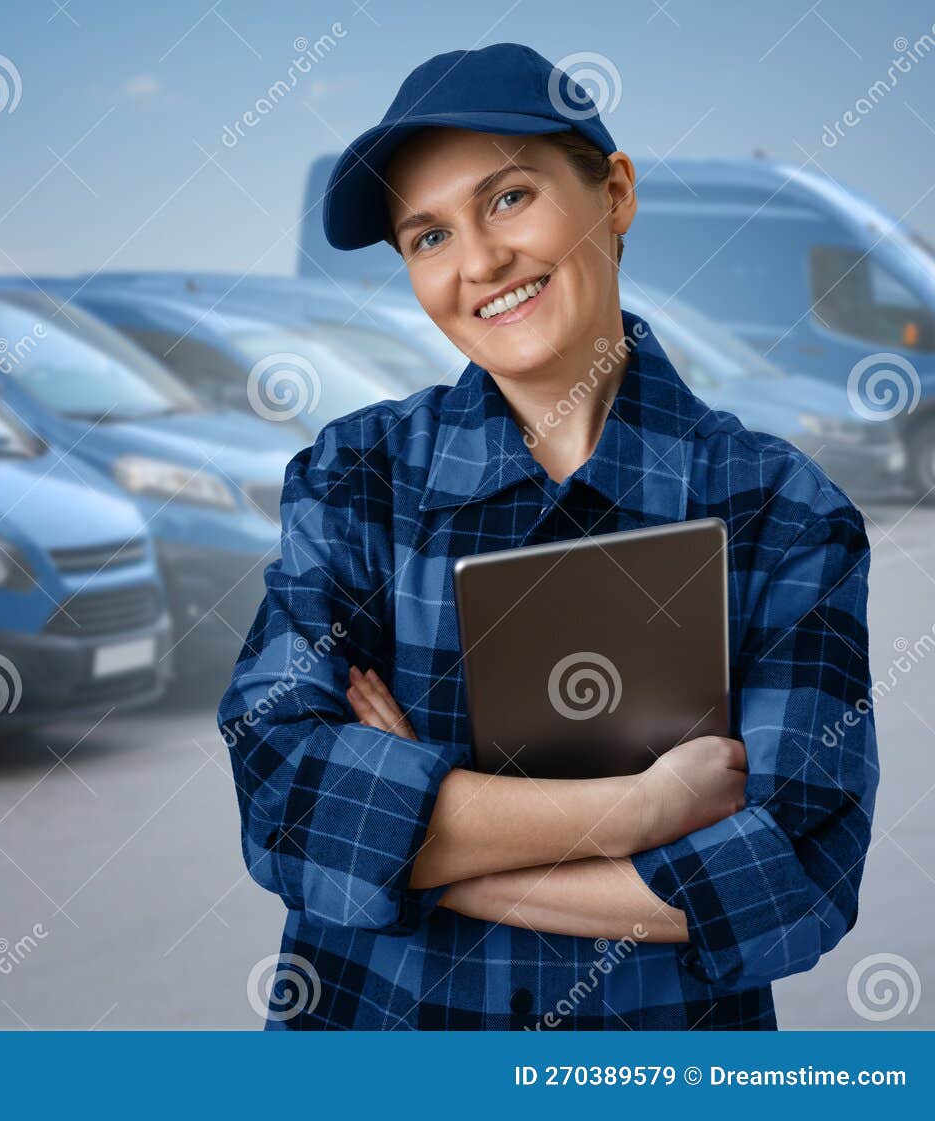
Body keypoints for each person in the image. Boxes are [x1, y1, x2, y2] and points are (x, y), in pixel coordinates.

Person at [217, 43, 877, 1030]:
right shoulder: (357, 479)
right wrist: (637, 813)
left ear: (613, 192)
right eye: (426, 236)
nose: (478, 262)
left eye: (509, 198)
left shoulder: (779, 509)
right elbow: (285, 799)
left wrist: (407, 850)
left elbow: (787, 880)